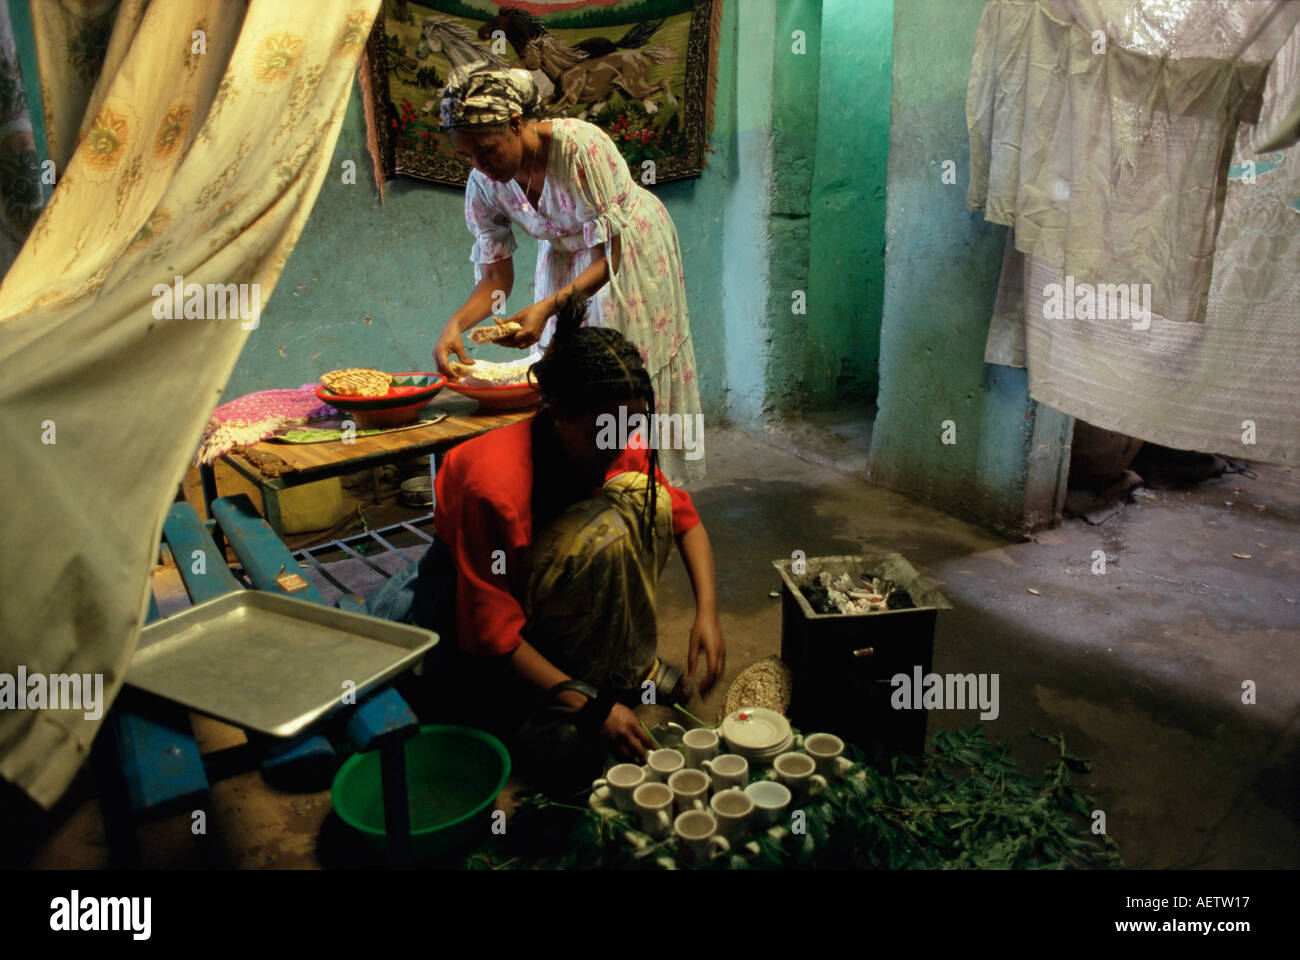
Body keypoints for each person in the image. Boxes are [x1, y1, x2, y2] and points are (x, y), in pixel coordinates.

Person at [371, 296, 724, 782]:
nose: (619, 443)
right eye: (604, 431)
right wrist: (593, 706)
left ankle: (616, 668)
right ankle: (573, 683)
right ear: (556, 410)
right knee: (563, 752)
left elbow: (685, 519)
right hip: (469, 616)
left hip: (539, 595)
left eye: (629, 427)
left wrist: (708, 611)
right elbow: (489, 632)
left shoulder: (611, 435)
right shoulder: (492, 485)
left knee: (649, 501)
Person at [432, 62, 705, 485]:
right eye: (466, 155)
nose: (480, 164)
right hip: (565, 258)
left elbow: (607, 259)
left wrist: (547, 308)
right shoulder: (484, 185)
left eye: (486, 149)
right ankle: (584, 481)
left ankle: (643, 486)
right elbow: (494, 280)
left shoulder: (580, 148)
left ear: (517, 123)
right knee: (569, 373)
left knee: (618, 368)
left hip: (625, 251)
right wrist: (456, 325)